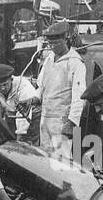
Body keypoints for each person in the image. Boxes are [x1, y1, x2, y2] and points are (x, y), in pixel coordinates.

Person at [36, 20, 85, 161]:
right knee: (45, 159)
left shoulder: (75, 63)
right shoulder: (49, 59)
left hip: (61, 122)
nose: (53, 47)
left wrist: (71, 122)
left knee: (62, 162)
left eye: (56, 43)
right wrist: (34, 99)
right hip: (45, 120)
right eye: (50, 44)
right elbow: (41, 86)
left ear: (66, 40)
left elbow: (79, 97)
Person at [0, 62, 39, 135]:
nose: (2, 88)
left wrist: (20, 138)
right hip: (13, 117)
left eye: (5, 84)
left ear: (11, 79)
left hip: (32, 119)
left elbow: (22, 120)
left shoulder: (22, 86)